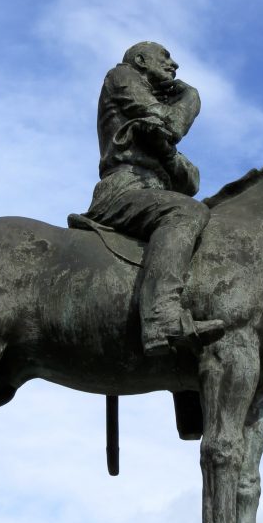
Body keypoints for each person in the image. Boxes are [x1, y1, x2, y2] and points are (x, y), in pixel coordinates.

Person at [86, 41, 224, 356]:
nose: (173, 65)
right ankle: (161, 318)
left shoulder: (149, 122)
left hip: (150, 192)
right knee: (186, 213)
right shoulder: (122, 75)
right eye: (164, 57)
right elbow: (171, 124)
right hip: (124, 189)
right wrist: (191, 96)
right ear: (140, 60)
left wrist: (164, 148)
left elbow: (191, 180)